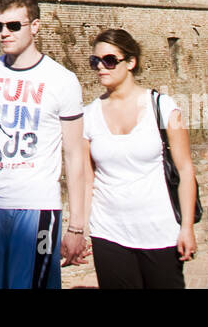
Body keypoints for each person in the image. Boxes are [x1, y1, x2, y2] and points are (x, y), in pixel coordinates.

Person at [0, 0, 88, 288]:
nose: (4, 33)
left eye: (13, 26)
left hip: (38, 210)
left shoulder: (62, 80)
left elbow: (76, 156)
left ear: (34, 26)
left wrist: (77, 226)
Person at [79, 28, 196, 288]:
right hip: (108, 232)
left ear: (130, 62)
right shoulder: (88, 116)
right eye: (94, 61)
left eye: (109, 60)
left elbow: (185, 170)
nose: (101, 67)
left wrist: (186, 226)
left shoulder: (163, 107)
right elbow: (87, 181)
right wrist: (80, 228)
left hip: (160, 231)